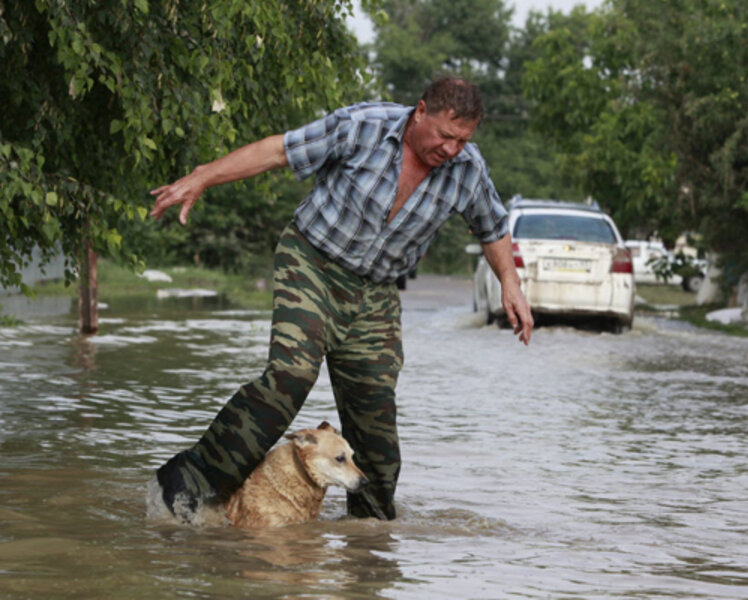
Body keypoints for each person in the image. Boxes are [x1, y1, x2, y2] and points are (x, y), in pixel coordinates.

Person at [149, 77, 533, 523]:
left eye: (462, 141)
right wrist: (202, 178)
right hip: (312, 261)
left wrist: (510, 280)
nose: (451, 149)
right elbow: (278, 151)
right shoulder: (363, 126)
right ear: (421, 110)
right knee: (291, 376)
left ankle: (366, 541)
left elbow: (492, 224)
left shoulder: (468, 169)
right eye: (445, 136)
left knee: (376, 429)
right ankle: (190, 484)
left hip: (376, 294)